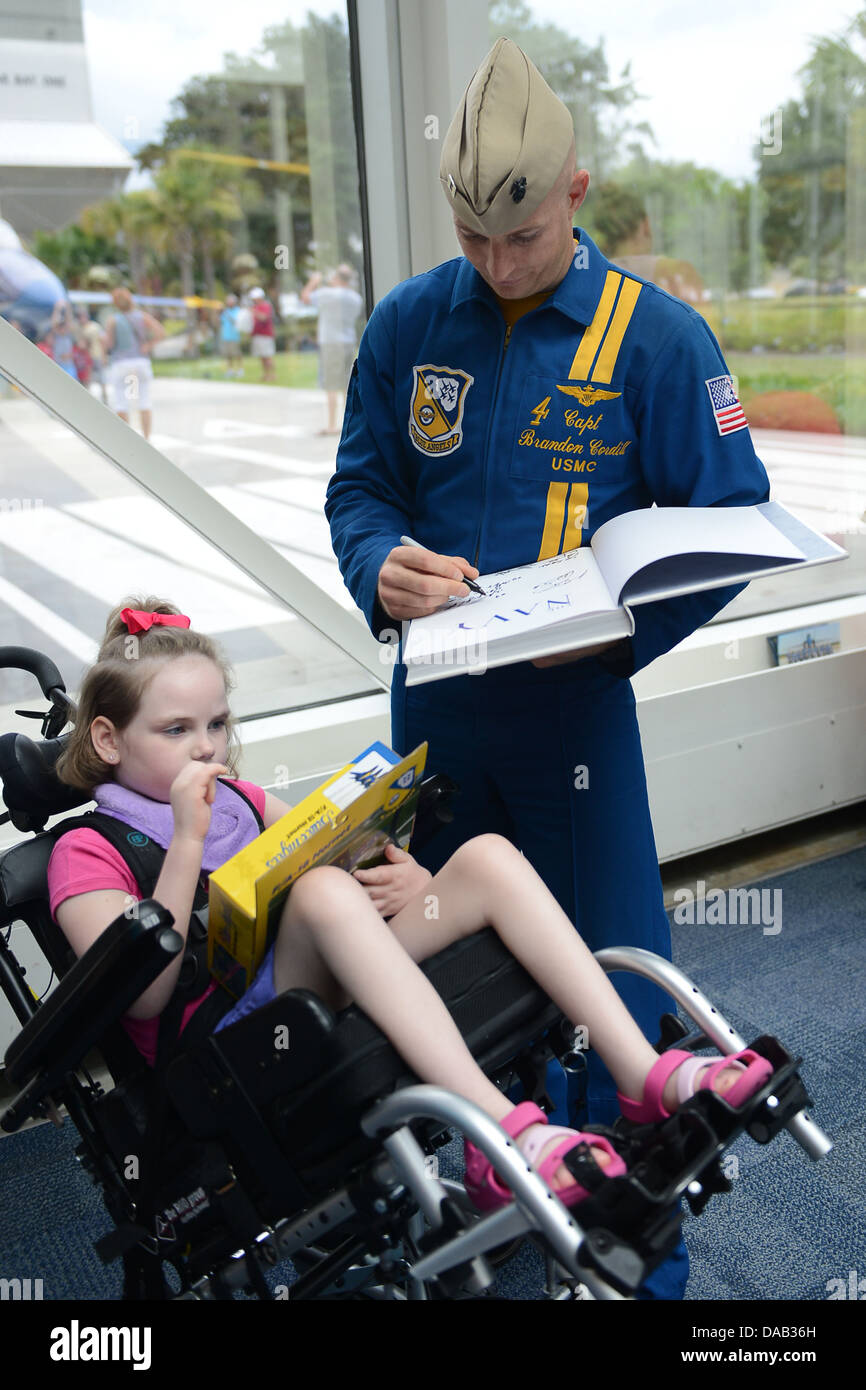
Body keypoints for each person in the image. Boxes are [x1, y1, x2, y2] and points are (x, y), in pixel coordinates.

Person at [324, 36, 771, 1286]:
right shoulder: (412, 321)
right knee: (440, 975)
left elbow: (727, 523)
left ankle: (646, 1260)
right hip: (435, 720)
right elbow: (360, 488)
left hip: (573, 726)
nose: (491, 264)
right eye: (469, 237)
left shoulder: (660, 342)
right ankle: (482, 1190)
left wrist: (615, 639)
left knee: (611, 994)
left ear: (573, 194)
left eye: (515, 239)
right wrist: (377, 567)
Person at [46, 598, 771, 1212]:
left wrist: (412, 880)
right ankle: (510, 1128)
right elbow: (143, 1002)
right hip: (230, 1041)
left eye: (216, 725)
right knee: (323, 891)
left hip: (315, 974)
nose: (208, 750)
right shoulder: (85, 851)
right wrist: (185, 843)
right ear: (108, 738)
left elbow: (331, 849)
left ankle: (642, 1074)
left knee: (482, 856)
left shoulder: (240, 797)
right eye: (177, 731)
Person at [300, 265, 363, 435]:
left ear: (337, 278)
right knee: (346, 384)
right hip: (348, 342)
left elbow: (305, 298)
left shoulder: (327, 294)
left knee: (331, 384)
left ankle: (331, 425)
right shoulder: (356, 298)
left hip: (330, 343)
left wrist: (313, 282)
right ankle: (348, 423)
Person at [103, 287, 165, 441]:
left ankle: (127, 440)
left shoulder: (113, 320)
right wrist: (148, 345)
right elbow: (160, 332)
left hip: (121, 363)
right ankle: (147, 437)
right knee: (144, 400)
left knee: (121, 402)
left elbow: (109, 344)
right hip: (141, 362)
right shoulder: (142, 317)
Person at [248, 287, 276, 384]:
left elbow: (264, 318)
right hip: (257, 334)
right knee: (262, 357)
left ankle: (272, 374)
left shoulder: (265, 306)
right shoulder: (254, 307)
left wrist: (254, 312)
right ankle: (265, 374)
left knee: (268, 356)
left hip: (265, 335)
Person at [219, 293, 243, 378]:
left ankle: (240, 370)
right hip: (226, 336)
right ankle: (230, 370)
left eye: (230, 301)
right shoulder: (225, 311)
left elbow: (235, 322)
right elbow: (220, 322)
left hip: (235, 336)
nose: (228, 303)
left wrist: (225, 313)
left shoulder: (238, 311)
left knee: (237, 354)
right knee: (228, 355)